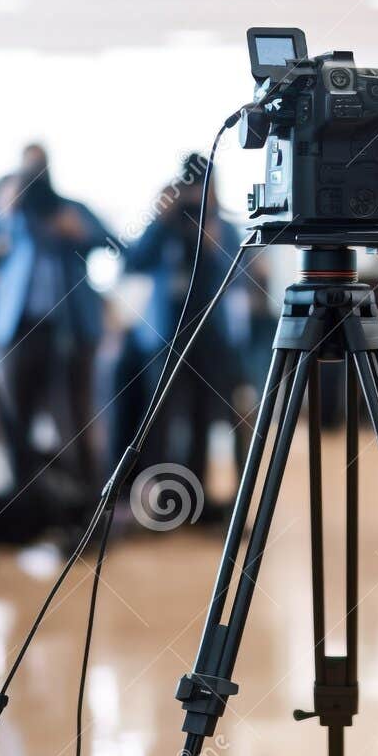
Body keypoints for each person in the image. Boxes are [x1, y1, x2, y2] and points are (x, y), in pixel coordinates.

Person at [126, 153, 249, 519]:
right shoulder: (167, 223)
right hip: (166, 335)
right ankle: (162, 502)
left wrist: (213, 242)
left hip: (210, 336)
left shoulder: (222, 226)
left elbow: (238, 275)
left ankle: (197, 503)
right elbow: (133, 262)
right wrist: (160, 217)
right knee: (159, 421)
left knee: (204, 417)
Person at [0, 143, 115, 490]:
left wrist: (77, 231)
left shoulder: (69, 209)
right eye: (29, 171)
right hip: (21, 329)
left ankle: (87, 499)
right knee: (17, 416)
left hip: (72, 328)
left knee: (75, 416)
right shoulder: (11, 212)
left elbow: (113, 242)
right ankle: (25, 499)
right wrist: (8, 206)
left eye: (39, 170)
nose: (36, 179)